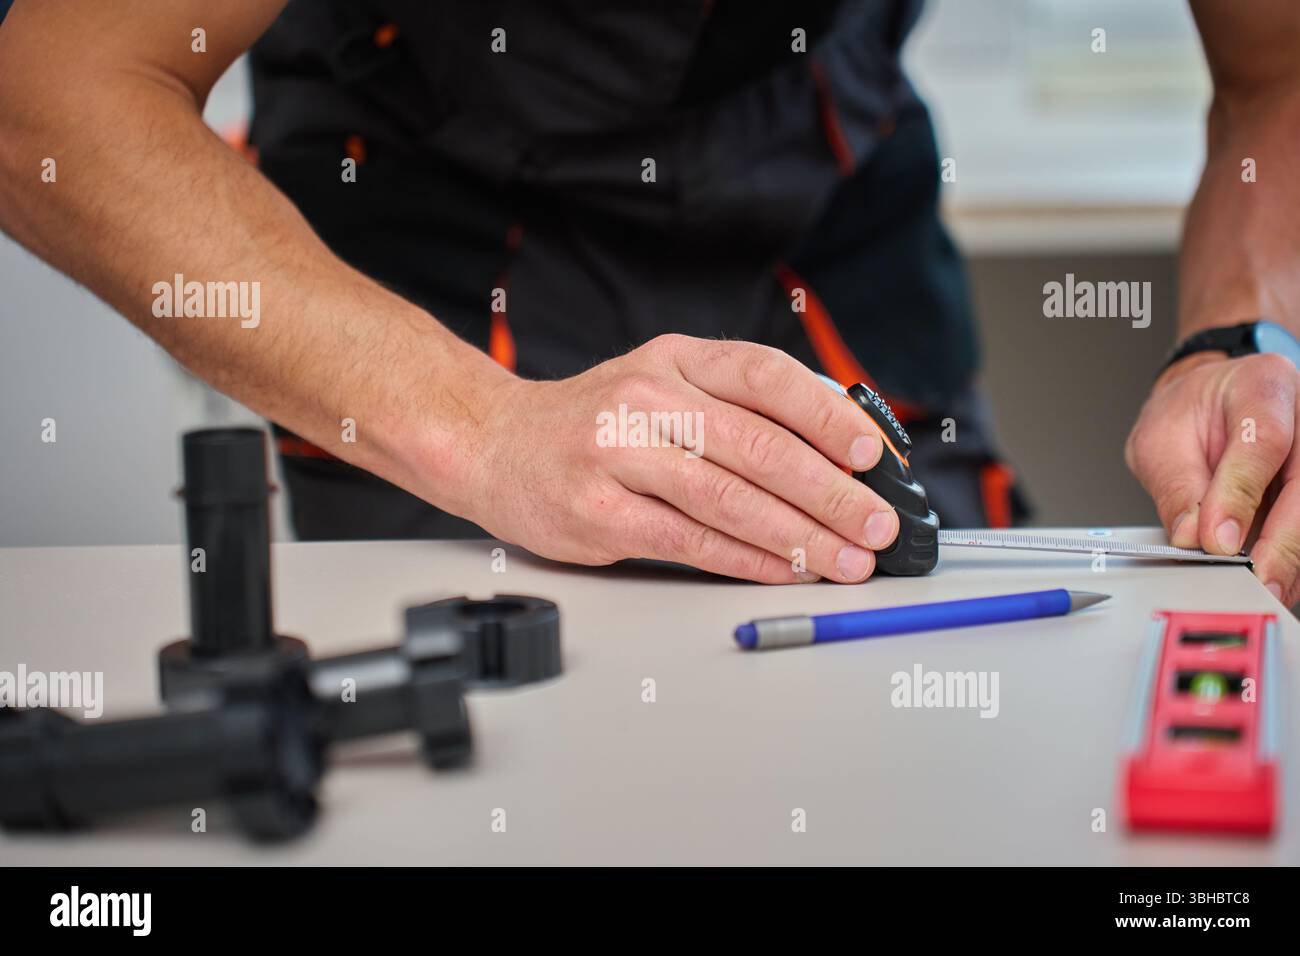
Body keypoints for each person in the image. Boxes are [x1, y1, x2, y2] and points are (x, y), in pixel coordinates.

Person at [0, 1, 1297, 602]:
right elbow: (48, 96)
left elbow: (1276, 72)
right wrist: (483, 431)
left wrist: (1241, 333)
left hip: (823, 201)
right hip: (439, 262)